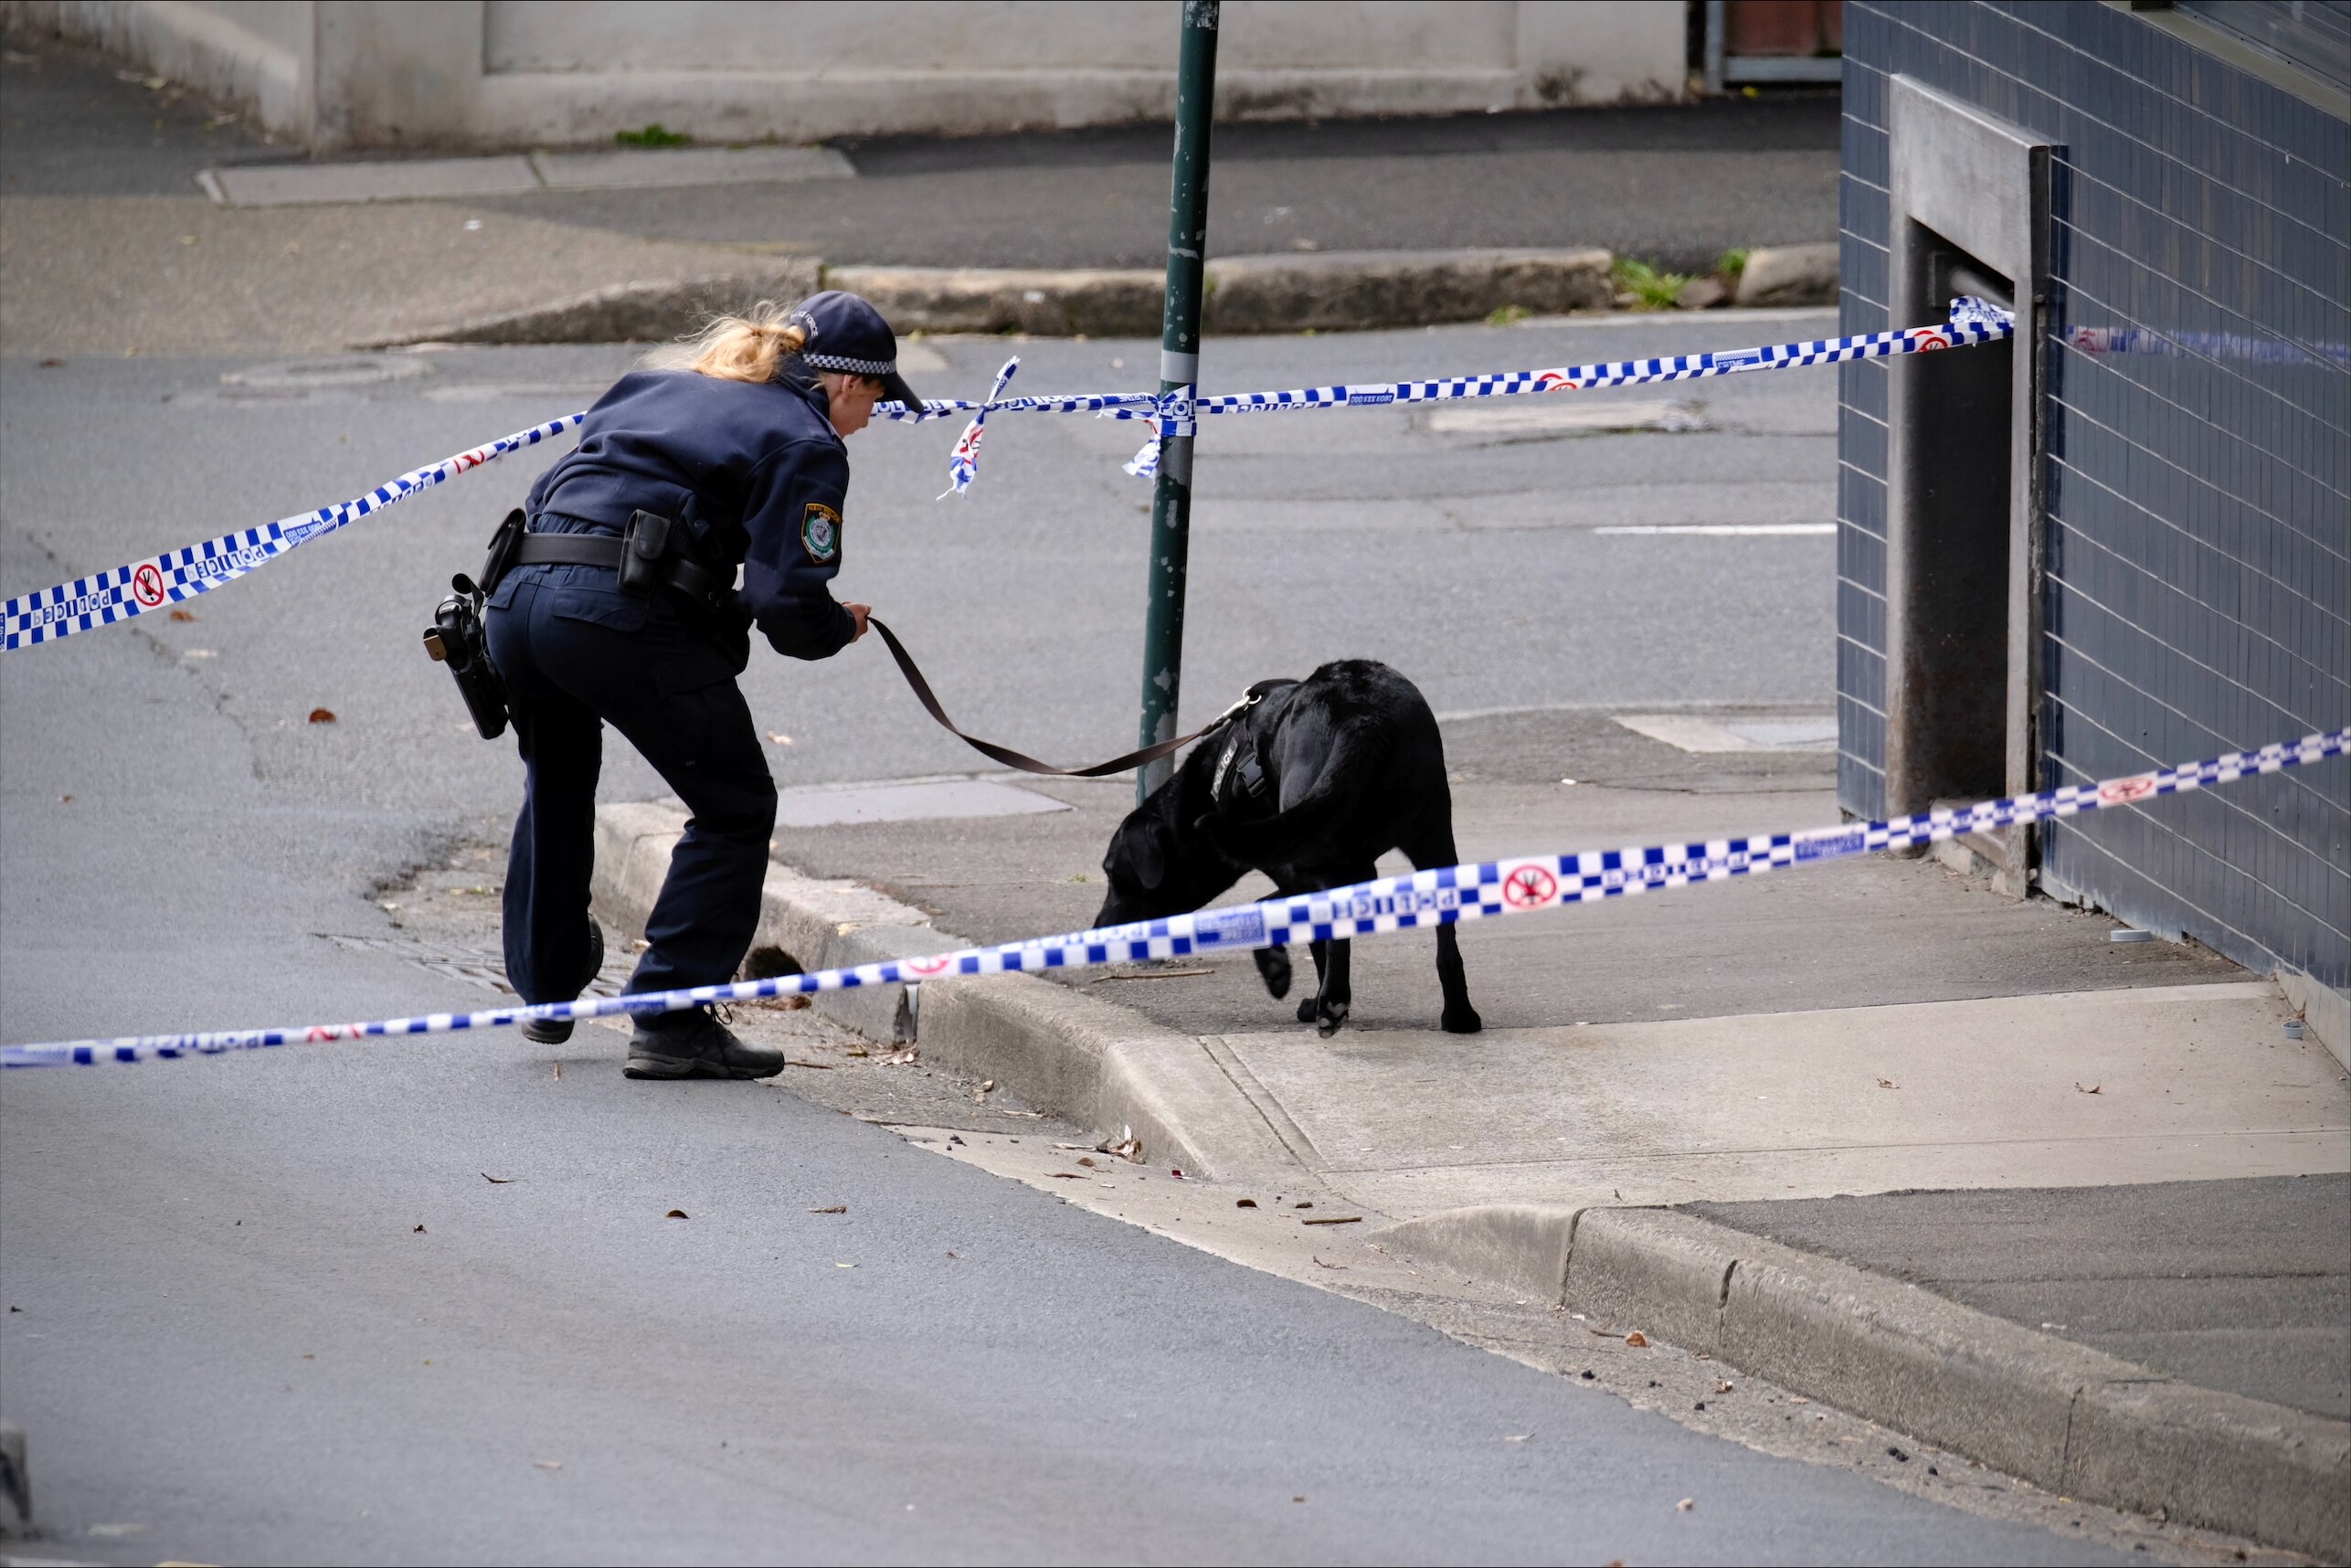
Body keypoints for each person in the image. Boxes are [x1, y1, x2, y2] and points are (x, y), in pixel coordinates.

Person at [483, 291, 917, 1080]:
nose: (870, 418)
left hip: (513, 598)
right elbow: (789, 604)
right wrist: (835, 628)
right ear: (849, 384)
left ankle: (545, 987)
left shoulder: (657, 384)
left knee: (557, 778)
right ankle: (672, 1016)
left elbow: (594, 493)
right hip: (616, 614)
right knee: (735, 805)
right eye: (879, 401)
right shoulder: (806, 441)